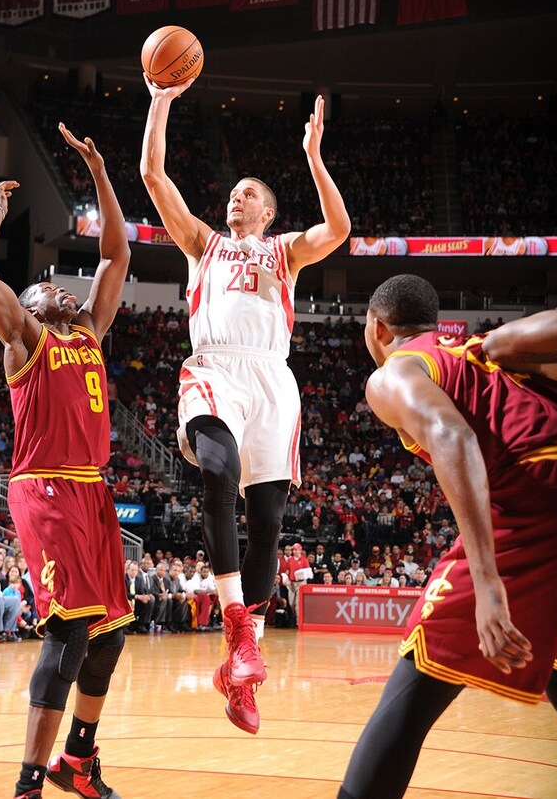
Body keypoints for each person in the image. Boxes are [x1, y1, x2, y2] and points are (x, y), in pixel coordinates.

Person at [141, 78, 350, 734]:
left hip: (271, 382)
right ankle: (238, 625)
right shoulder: (204, 243)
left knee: (266, 521)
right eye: (233, 193)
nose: (237, 197)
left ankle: (241, 662)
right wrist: (161, 100)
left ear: (267, 213)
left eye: (249, 194)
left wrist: (315, 158)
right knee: (217, 469)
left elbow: (340, 228)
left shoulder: (284, 250)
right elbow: (152, 174)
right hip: (214, 370)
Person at [338, 275, 557, 799]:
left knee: (417, 679)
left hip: (538, 495)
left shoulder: (397, 371)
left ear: (376, 329)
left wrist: (487, 583)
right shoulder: (479, 350)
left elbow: (450, 433)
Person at [0, 123, 133, 799]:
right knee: (66, 634)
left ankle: (77, 765)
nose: (58, 288)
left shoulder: (88, 330)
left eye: (62, 286)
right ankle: (28, 784)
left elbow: (116, 257)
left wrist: (98, 172)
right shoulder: (25, 337)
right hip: (45, 491)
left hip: (91, 491)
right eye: (45, 287)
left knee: (111, 635)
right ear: (28, 307)